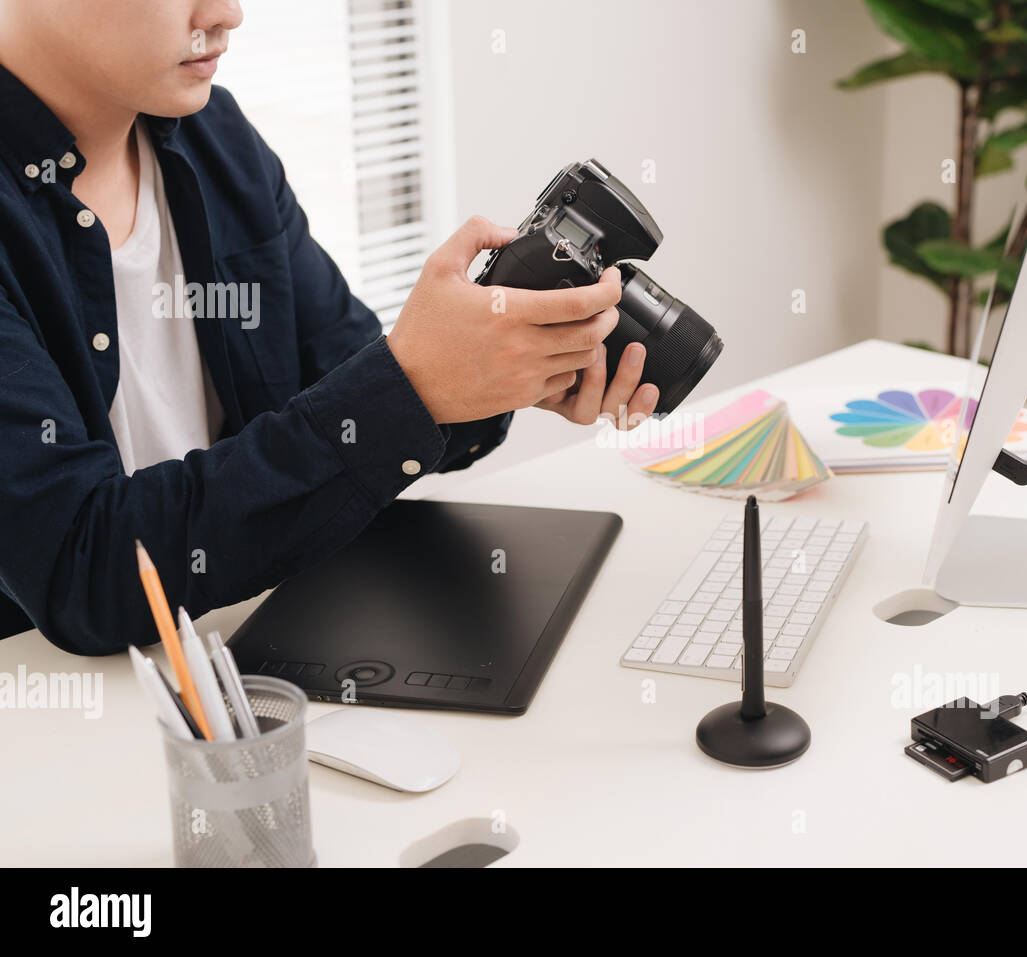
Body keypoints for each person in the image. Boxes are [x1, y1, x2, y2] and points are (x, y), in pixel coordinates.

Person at [0, 0, 659, 655]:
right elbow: (82, 568)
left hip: (253, 651)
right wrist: (415, 385)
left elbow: (342, 390)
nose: (228, 13)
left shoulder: (215, 137)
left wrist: (494, 370)